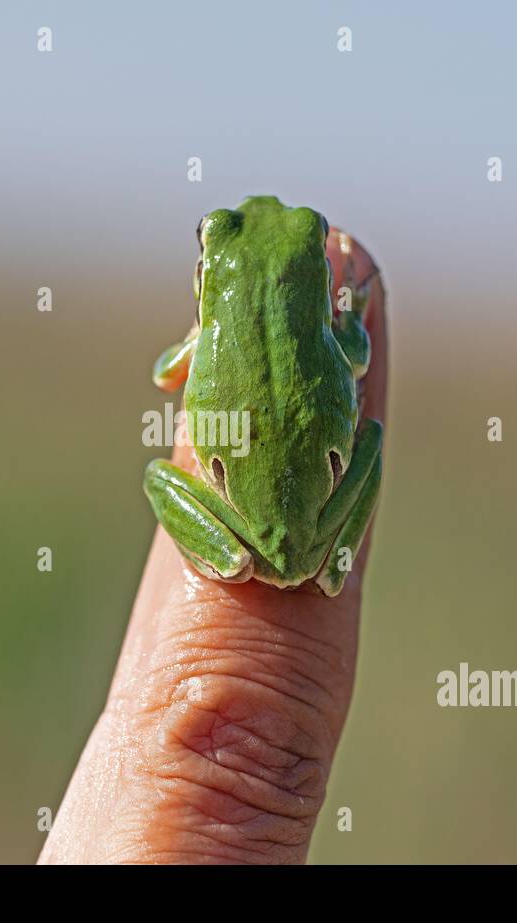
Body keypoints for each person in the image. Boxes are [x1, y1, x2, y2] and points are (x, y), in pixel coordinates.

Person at [40, 231, 387, 864]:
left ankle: (229, 554)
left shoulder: (208, 334)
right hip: (318, 535)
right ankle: (332, 561)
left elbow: (164, 373)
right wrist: (350, 314)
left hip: (233, 531)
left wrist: (203, 338)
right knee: (374, 440)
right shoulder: (334, 330)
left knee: (156, 475)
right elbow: (358, 359)